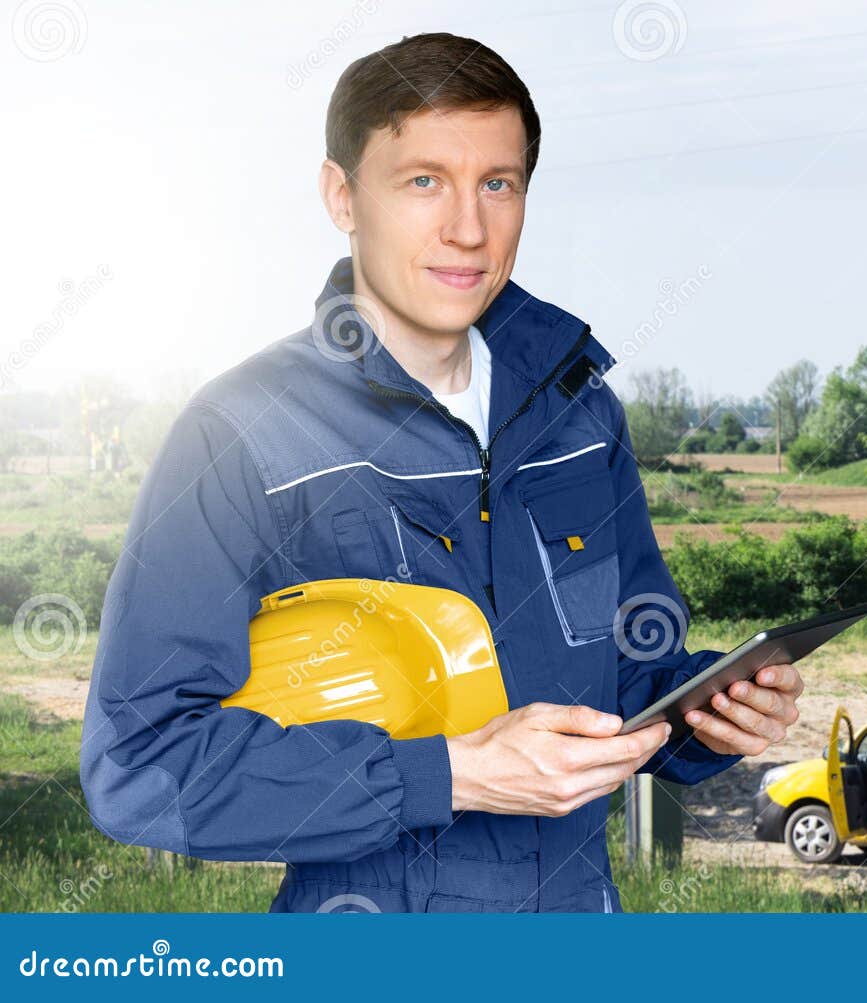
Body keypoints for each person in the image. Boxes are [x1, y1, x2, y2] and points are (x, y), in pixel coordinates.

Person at [79, 33, 803, 913]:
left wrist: (707, 716)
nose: (469, 227)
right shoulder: (243, 435)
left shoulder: (577, 409)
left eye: (497, 183)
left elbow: (621, 678)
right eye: (424, 181)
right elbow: (140, 764)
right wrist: (451, 775)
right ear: (342, 196)